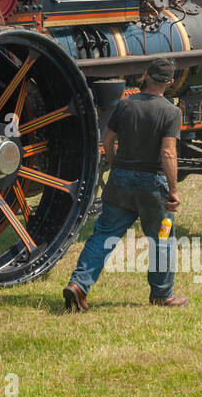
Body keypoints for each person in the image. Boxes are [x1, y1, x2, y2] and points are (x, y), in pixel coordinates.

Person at [63, 58, 188, 312]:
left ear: (145, 75)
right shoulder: (172, 112)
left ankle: (78, 285)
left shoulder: (124, 105)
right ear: (171, 83)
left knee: (103, 235)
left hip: (120, 181)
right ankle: (162, 294)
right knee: (162, 238)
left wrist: (116, 165)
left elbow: (107, 142)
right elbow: (168, 154)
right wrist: (173, 191)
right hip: (153, 186)